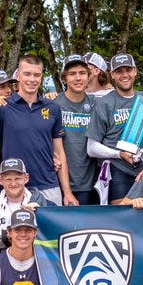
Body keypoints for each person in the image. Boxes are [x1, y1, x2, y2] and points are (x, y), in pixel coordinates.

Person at [0, 54, 74, 210]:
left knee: (52, 234)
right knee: (16, 234)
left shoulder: (53, 108)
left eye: (37, 75)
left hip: (49, 186)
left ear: (42, 77)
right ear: (18, 75)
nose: (32, 79)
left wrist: (67, 192)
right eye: (27, 74)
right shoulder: (1, 107)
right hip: (14, 187)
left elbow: (59, 153)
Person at [86, 53, 143, 204]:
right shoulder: (104, 103)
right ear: (112, 75)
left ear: (135, 71)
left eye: (128, 70)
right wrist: (119, 154)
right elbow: (91, 148)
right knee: (122, 217)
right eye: (119, 71)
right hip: (119, 170)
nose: (124, 75)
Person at [0, 158, 55, 255]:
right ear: (0, 180)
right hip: (1, 261)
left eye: (17, 178)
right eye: (8, 179)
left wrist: (39, 216)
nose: (13, 183)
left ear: (26, 178)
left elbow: (54, 240)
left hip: (35, 261)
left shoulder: (45, 206)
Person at [54, 55, 100, 204]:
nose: (78, 78)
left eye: (82, 73)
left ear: (89, 77)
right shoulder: (54, 105)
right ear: (64, 78)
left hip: (93, 184)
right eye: (72, 74)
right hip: (62, 183)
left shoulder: (97, 104)